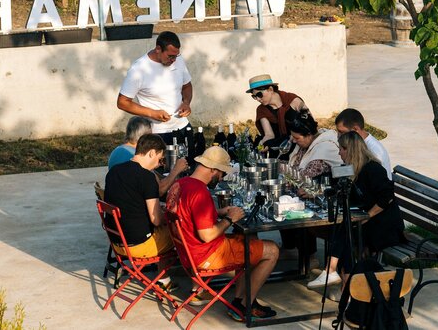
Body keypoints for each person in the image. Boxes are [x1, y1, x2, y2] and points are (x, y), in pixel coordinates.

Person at [167, 146, 280, 322]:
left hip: (187, 254)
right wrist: (229, 219)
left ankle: (239, 300)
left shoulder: (180, 184)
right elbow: (207, 235)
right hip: (207, 255)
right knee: (272, 250)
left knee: (248, 239)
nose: (221, 178)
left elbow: (187, 214)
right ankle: (245, 306)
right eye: (221, 173)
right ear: (213, 169)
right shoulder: (200, 192)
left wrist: (218, 212)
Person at [307, 132, 405, 289]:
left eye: (342, 149)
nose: (339, 153)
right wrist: (314, 188)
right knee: (344, 228)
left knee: (346, 232)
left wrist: (369, 215)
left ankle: (336, 276)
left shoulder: (373, 169)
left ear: (351, 150)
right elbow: (330, 178)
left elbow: (387, 197)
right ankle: (340, 282)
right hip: (365, 221)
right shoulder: (351, 168)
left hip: (385, 226)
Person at [117, 31, 205, 164]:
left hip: (183, 126)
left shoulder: (178, 60)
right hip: (158, 133)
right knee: (163, 173)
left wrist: (186, 102)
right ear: (158, 49)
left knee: (190, 166)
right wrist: (152, 113)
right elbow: (122, 102)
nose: (173, 60)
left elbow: (187, 86)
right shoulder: (139, 69)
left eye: (176, 56)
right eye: (170, 56)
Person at [103, 134, 174, 258]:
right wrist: (169, 215)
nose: (159, 165)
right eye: (160, 160)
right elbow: (156, 220)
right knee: (183, 231)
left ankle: (164, 276)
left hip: (117, 243)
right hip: (140, 245)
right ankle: (179, 273)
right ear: (152, 153)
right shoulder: (147, 177)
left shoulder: (114, 171)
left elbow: (130, 202)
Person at [247, 74, 308, 149]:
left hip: (299, 143)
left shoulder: (293, 100)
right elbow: (269, 135)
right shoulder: (261, 109)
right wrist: (262, 143)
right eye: (254, 96)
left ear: (270, 89)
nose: (258, 99)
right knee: (267, 143)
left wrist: (296, 135)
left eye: (259, 95)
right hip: (278, 145)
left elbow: (310, 123)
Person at [335, 108, 392, 178]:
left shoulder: (374, 152)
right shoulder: (356, 144)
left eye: (342, 132)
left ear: (356, 129)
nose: (338, 136)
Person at [287, 110, 342, 179]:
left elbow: (306, 177)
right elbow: (294, 166)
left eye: (297, 138)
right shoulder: (307, 144)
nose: (294, 141)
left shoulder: (324, 148)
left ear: (309, 135)